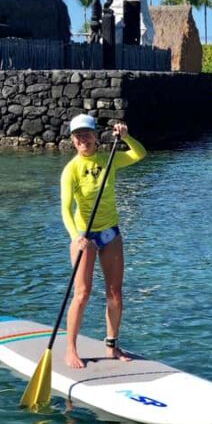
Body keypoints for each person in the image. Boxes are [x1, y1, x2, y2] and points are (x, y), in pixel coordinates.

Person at [61, 113, 146, 369]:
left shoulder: (109, 160)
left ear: (96, 137)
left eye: (87, 134)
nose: (83, 140)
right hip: (84, 237)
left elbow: (139, 154)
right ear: (73, 141)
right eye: (78, 137)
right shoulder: (71, 170)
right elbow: (66, 209)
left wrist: (127, 137)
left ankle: (112, 345)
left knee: (115, 294)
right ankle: (70, 349)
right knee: (82, 294)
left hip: (110, 233)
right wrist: (76, 236)